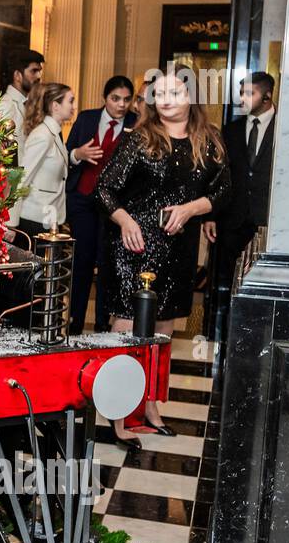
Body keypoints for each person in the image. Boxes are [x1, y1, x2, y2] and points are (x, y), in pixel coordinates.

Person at [96, 71, 229, 441]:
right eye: (160, 93)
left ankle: (151, 407)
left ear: (192, 95)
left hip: (177, 248)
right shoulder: (140, 139)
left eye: (176, 91)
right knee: (125, 331)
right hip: (136, 245)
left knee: (163, 334)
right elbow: (104, 189)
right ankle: (116, 417)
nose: (167, 98)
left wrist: (191, 210)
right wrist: (123, 221)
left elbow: (224, 192)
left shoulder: (209, 140)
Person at [65, 75, 136, 333]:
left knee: (108, 264)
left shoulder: (135, 124)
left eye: (126, 99)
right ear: (105, 98)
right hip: (83, 199)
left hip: (114, 207)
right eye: (115, 98)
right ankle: (74, 321)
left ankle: (104, 323)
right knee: (82, 261)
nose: (121, 104)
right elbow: (67, 153)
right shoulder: (86, 119)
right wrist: (78, 155)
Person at [206, 72, 277, 296]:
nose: (242, 99)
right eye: (241, 93)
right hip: (232, 220)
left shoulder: (285, 129)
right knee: (227, 284)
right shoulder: (231, 130)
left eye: (249, 93)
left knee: (269, 285)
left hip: (266, 220)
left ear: (267, 96)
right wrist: (211, 215)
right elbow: (218, 175)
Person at [17, 82, 76, 241]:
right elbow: (22, 179)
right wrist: (11, 223)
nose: (74, 106)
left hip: (48, 218)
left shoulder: (54, 133)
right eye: (70, 101)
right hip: (33, 220)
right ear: (55, 106)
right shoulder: (43, 135)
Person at [0, 49, 44, 243]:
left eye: (40, 71)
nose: (38, 77)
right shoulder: (7, 105)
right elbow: (5, 165)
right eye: (33, 71)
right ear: (18, 75)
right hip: (11, 208)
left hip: (26, 203)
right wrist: (9, 218)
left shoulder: (25, 106)